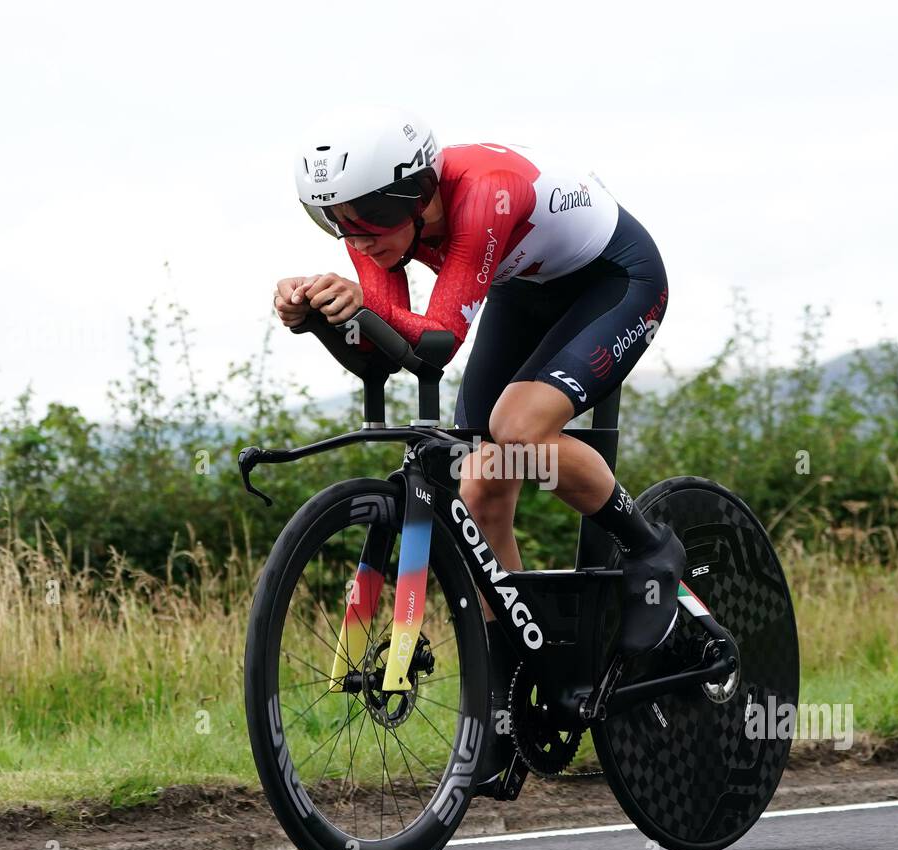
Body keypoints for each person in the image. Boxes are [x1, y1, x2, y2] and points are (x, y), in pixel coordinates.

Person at [274, 107, 685, 661]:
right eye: (336, 220)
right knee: (479, 486)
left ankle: (650, 547)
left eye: (366, 217)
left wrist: (363, 304)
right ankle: (513, 682)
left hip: (615, 280)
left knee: (518, 430)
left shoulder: (483, 194)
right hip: (525, 289)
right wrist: (322, 318)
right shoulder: (371, 228)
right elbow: (391, 351)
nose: (357, 237)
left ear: (414, 194)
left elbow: (439, 337)